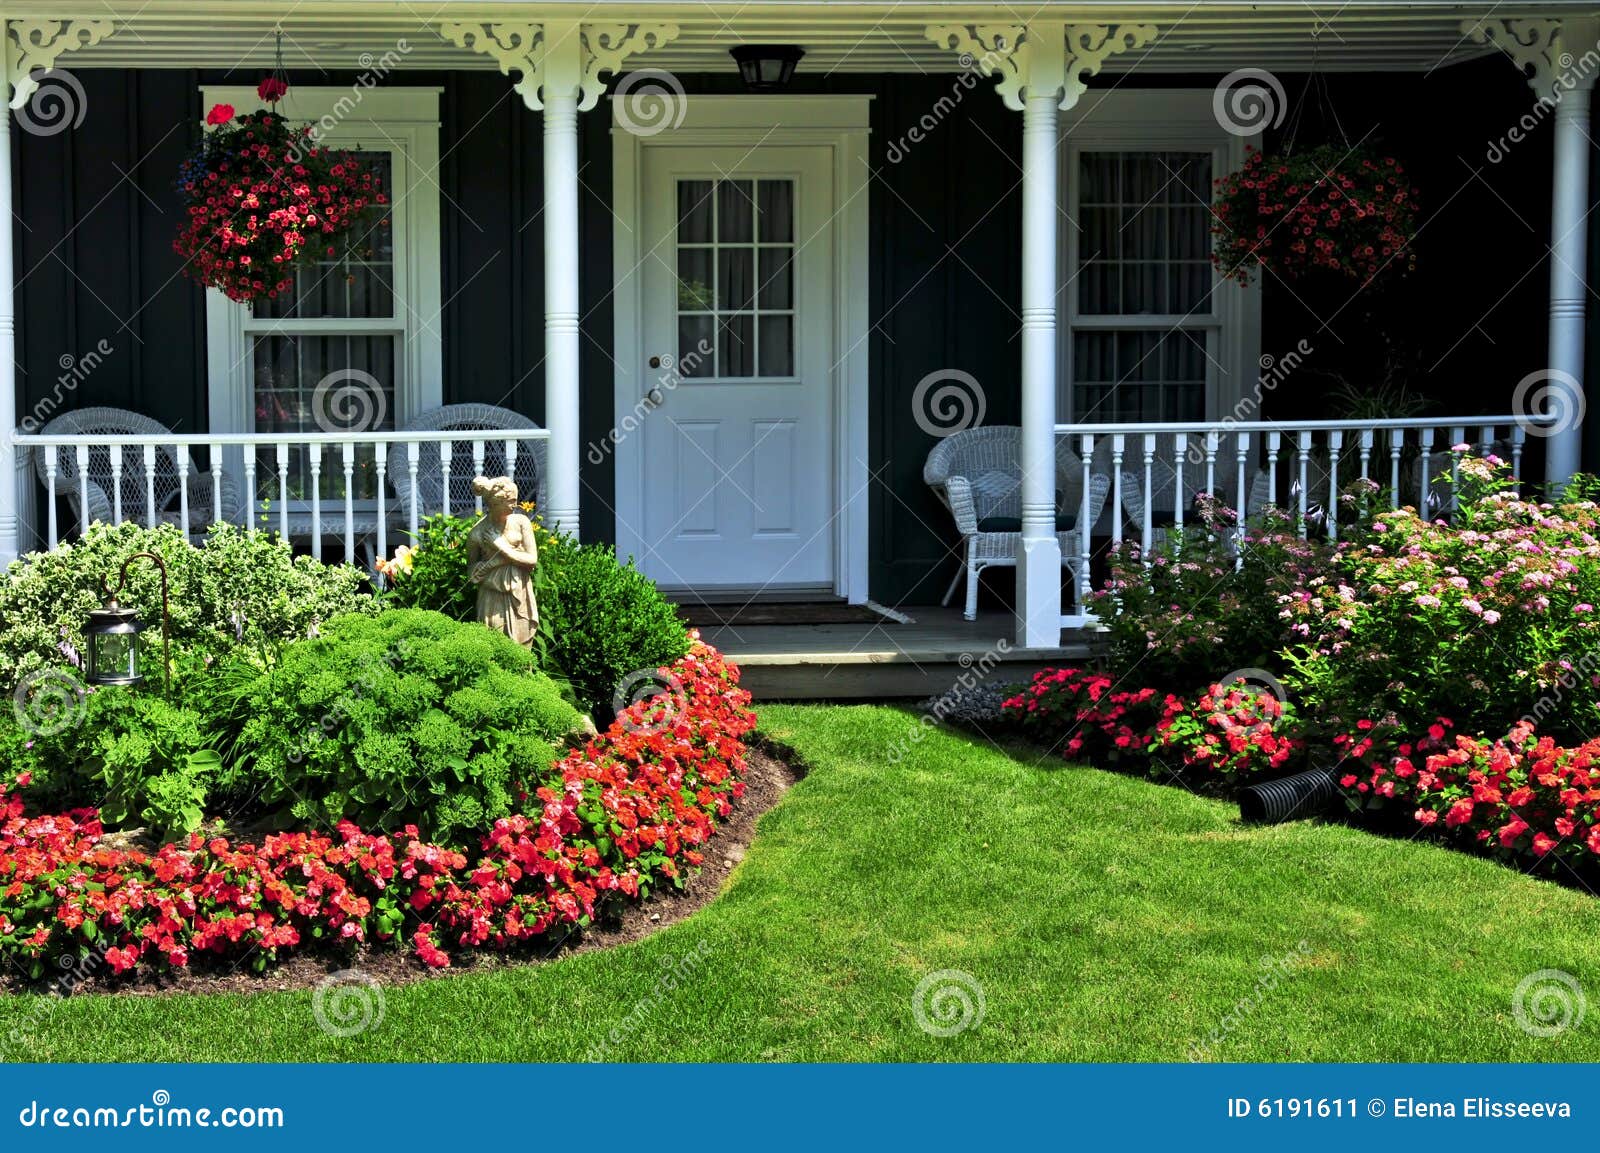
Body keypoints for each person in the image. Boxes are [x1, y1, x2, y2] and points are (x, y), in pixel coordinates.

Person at [467, 475, 538, 648]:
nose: (515, 505)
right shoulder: (476, 533)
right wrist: (500, 561)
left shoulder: (521, 522)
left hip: (519, 590)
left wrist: (501, 546)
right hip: (491, 596)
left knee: (522, 649)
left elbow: (532, 560)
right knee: (494, 646)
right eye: (511, 501)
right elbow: (471, 574)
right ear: (495, 503)